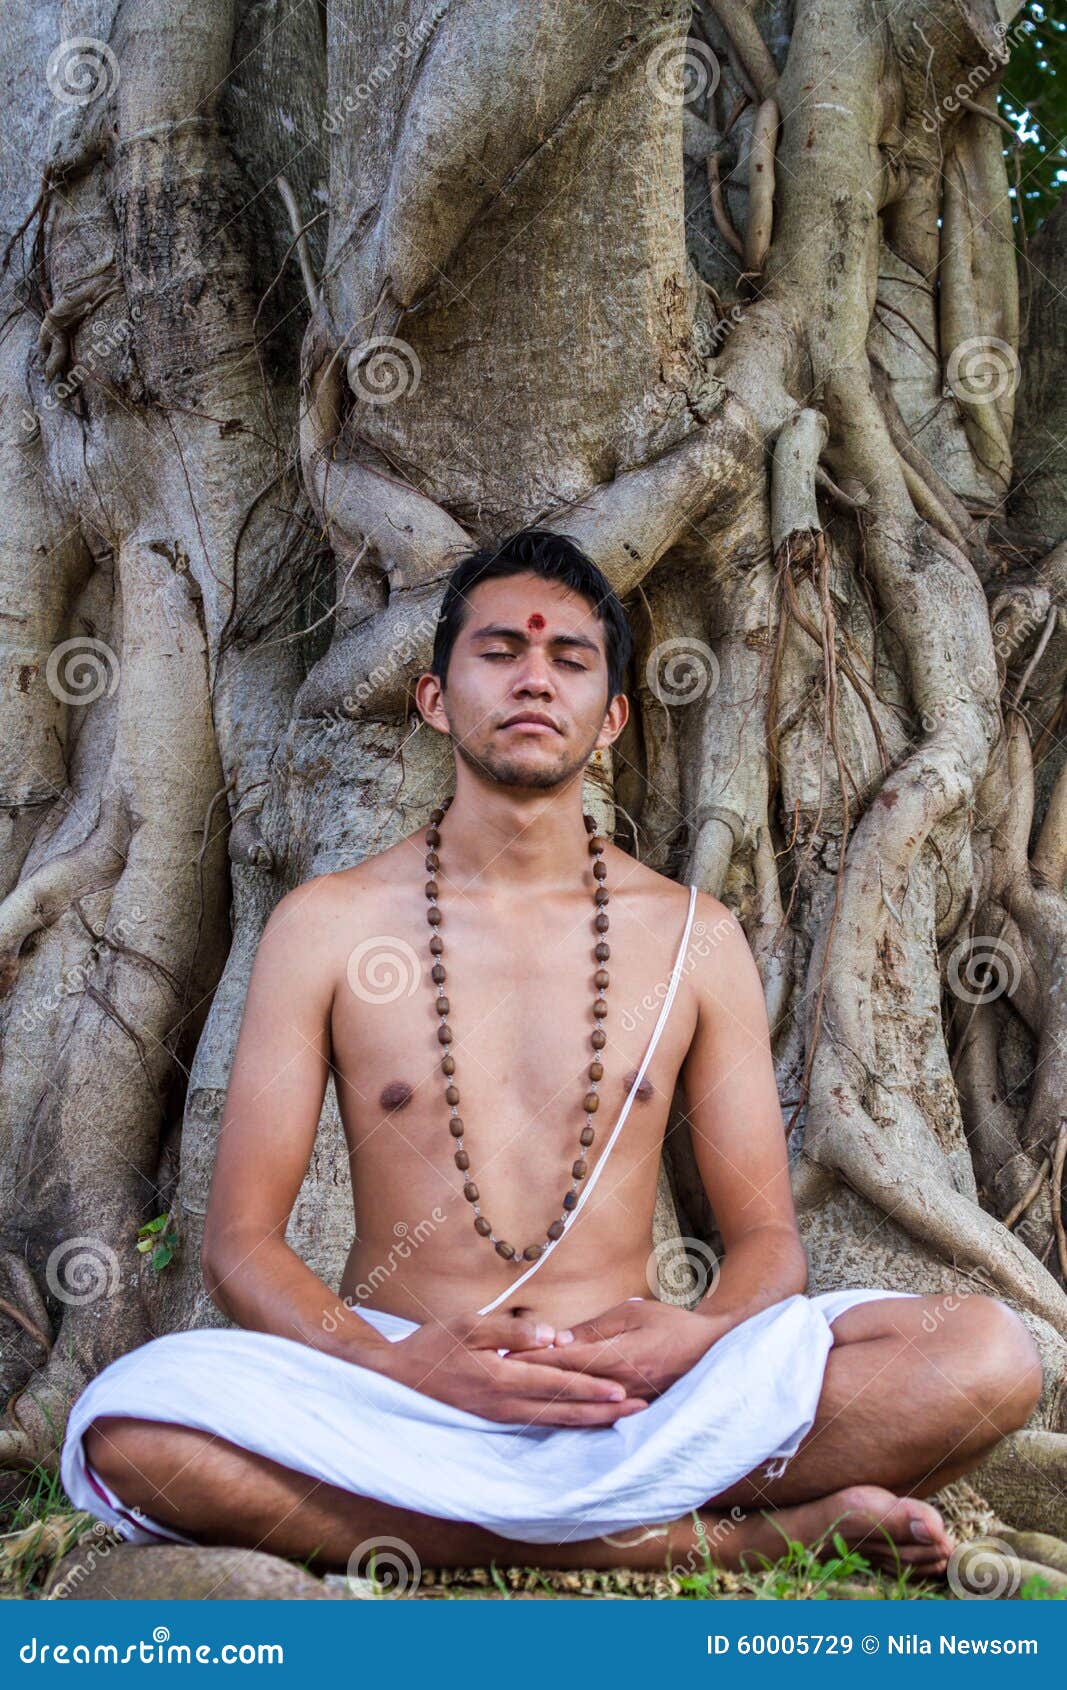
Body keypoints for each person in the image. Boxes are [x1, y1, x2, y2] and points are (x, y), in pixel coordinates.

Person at [61, 529, 1042, 1583]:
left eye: (570, 659)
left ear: (611, 715)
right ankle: (735, 1537)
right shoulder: (328, 926)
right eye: (498, 652)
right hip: (405, 1396)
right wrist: (394, 1361)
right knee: (128, 1433)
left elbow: (764, 1240)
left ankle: (562, 1513)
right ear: (434, 698)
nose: (534, 678)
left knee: (987, 1356)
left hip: (635, 1401)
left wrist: (694, 1336)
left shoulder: (693, 939)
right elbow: (243, 1242)